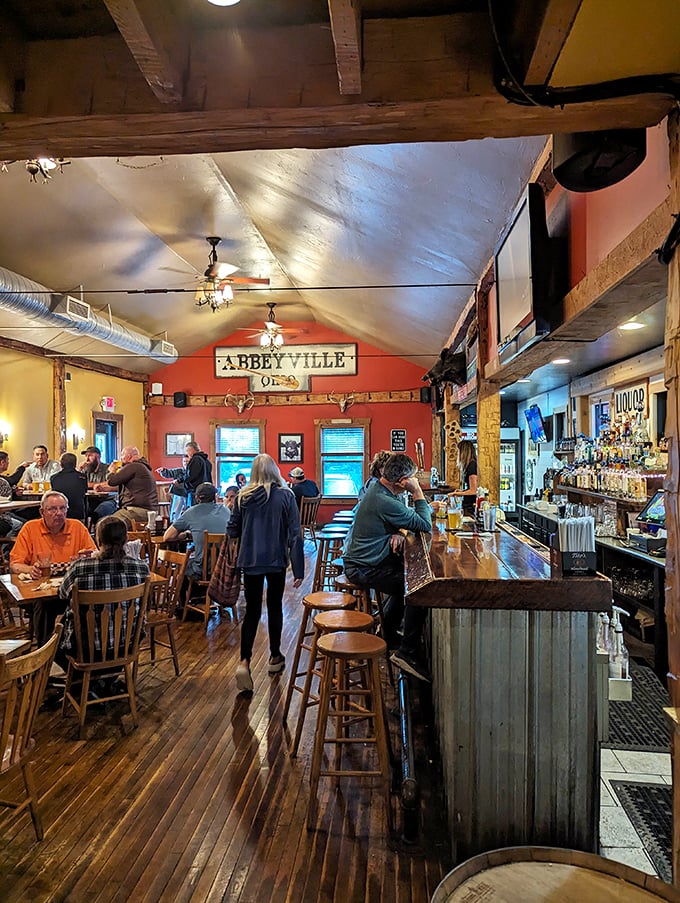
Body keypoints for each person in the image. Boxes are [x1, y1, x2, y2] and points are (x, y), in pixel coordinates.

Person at [343, 453, 432, 682]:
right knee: (417, 588)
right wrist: (417, 492)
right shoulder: (384, 500)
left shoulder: (381, 493)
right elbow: (424, 524)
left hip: (364, 561)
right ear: (402, 480)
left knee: (405, 582)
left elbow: (410, 521)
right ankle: (407, 651)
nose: (414, 480)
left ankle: (388, 633)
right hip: (362, 567)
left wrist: (398, 532)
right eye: (412, 478)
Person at [227, 454, 303, 693]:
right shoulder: (286, 496)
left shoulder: (242, 497)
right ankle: (274, 656)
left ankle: (244, 661)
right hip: (276, 559)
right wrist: (298, 568)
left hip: (249, 560)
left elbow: (232, 530)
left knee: (251, 610)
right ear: (275, 471)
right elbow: (295, 533)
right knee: (274, 606)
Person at [55, 515, 150, 673]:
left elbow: (62, 594)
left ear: (98, 540)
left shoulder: (79, 568)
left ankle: (89, 686)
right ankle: (102, 684)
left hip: (86, 649)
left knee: (53, 640)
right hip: (126, 645)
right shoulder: (141, 568)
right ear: (126, 539)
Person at [9, 490, 97, 644]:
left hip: (71, 590)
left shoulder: (77, 527)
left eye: (63, 508)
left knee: (91, 601)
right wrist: (30, 569)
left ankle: (81, 648)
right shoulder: (30, 528)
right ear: (42, 512)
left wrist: (85, 559)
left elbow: (94, 554)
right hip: (42, 591)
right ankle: (45, 652)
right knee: (43, 606)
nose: (59, 513)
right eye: (53, 509)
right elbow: (15, 564)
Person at [162, 482, 231, 578]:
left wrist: (186, 534)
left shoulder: (191, 512)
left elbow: (167, 537)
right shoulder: (226, 510)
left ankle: (186, 593)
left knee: (182, 564)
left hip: (203, 570)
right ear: (214, 497)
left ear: (197, 498)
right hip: (226, 568)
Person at [93, 445, 159, 524]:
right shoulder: (142, 466)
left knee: (107, 524)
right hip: (148, 510)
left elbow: (112, 481)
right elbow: (126, 486)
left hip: (137, 510)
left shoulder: (133, 466)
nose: (121, 458)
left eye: (122, 455)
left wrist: (112, 471)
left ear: (129, 456)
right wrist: (105, 489)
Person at [51, 452, 88, 522]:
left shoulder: (54, 478)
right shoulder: (82, 477)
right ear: (75, 464)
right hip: (78, 513)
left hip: (59, 512)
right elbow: (84, 491)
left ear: (61, 464)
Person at [448, 439, 478, 516]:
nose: (457, 454)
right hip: (469, 505)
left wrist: (456, 493)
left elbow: (474, 490)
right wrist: (461, 491)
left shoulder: (472, 466)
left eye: (458, 452)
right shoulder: (470, 465)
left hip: (471, 506)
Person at [156, 454, 189, 520]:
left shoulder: (192, 472)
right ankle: (174, 520)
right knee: (177, 506)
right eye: (184, 461)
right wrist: (163, 470)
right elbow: (169, 473)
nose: (185, 463)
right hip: (179, 493)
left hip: (188, 494)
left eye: (187, 461)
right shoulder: (179, 471)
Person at [184, 441, 212, 507]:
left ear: (193, 449)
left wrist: (180, 480)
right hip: (206, 490)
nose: (187, 453)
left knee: (194, 512)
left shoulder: (195, 459)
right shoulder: (206, 460)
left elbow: (191, 475)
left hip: (196, 491)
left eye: (188, 450)